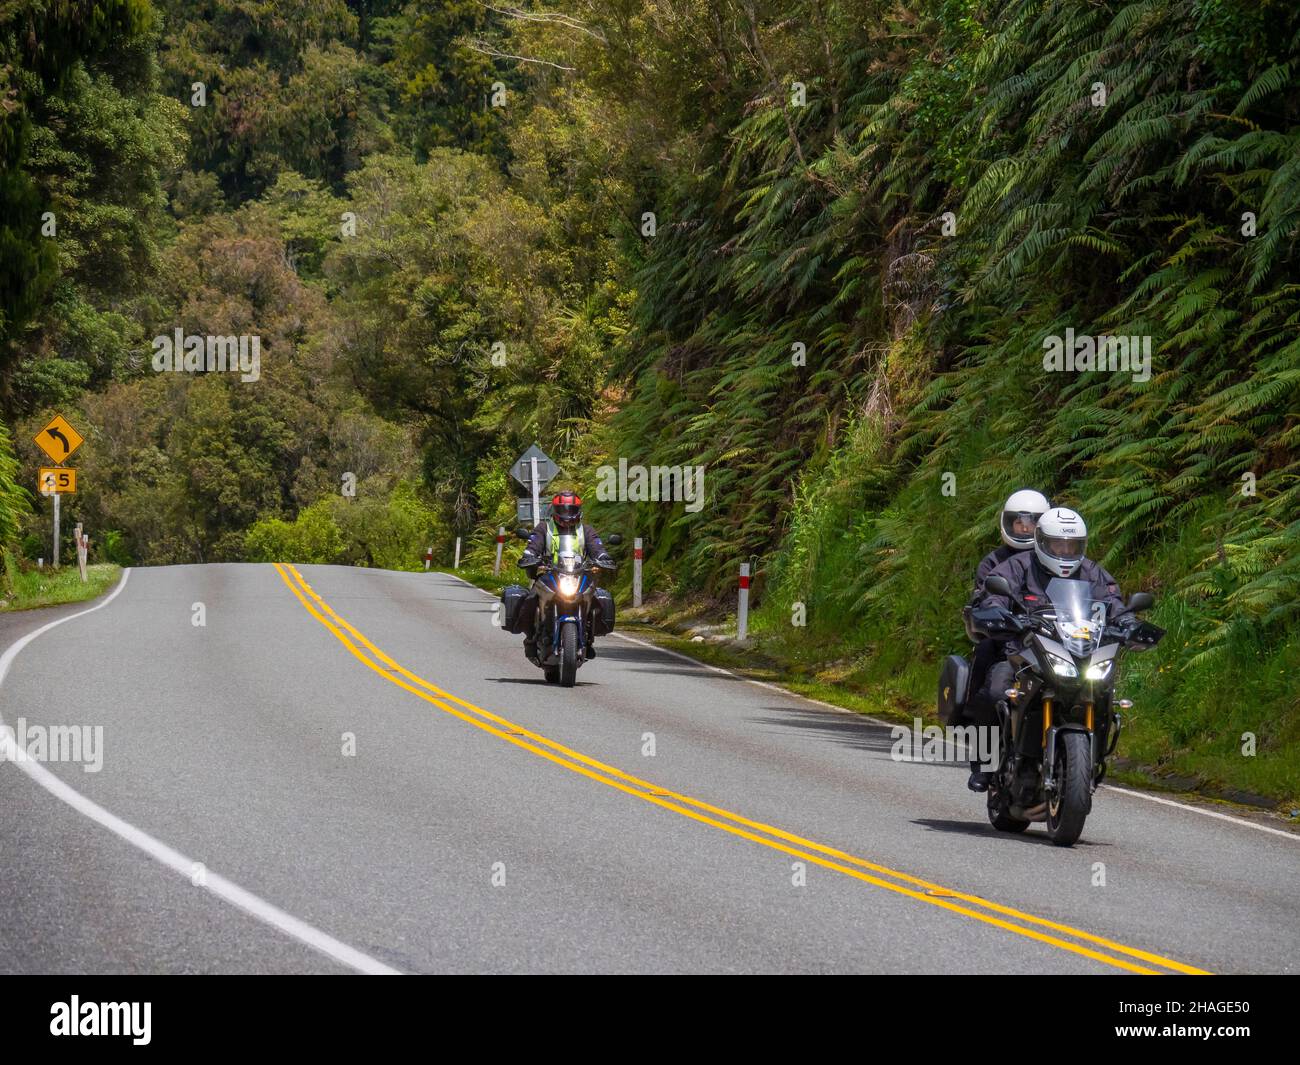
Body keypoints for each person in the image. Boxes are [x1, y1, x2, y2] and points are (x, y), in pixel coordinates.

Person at [968, 507, 1128, 790]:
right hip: (1022, 653)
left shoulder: (1092, 572)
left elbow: (1114, 604)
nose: (1065, 551)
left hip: (1079, 654)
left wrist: (1128, 622)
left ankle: (1092, 757)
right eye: (1058, 544)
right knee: (995, 691)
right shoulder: (1016, 567)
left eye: (1072, 545)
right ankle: (986, 763)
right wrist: (997, 613)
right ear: (1042, 541)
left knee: (1105, 691)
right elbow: (992, 596)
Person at [960, 490, 1050, 788]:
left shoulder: (1057, 561)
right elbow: (981, 598)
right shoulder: (994, 562)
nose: (1024, 528)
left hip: (1054, 648)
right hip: (1008, 645)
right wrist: (991, 615)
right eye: (1018, 522)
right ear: (1007, 524)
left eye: (1031, 523)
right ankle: (983, 761)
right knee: (992, 688)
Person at [517, 490, 615, 661]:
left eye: (571, 509)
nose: (567, 514)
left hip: (578, 575)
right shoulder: (544, 528)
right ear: (555, 510)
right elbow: (533, 545)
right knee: (530, 600)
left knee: (599, 601)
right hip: (550, 574)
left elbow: (597, 547)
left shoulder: (585, 530)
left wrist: (603, 558)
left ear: (578, 510)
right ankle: (531, 638)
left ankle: (589, 637)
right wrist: (529, 556)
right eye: (563, 510)